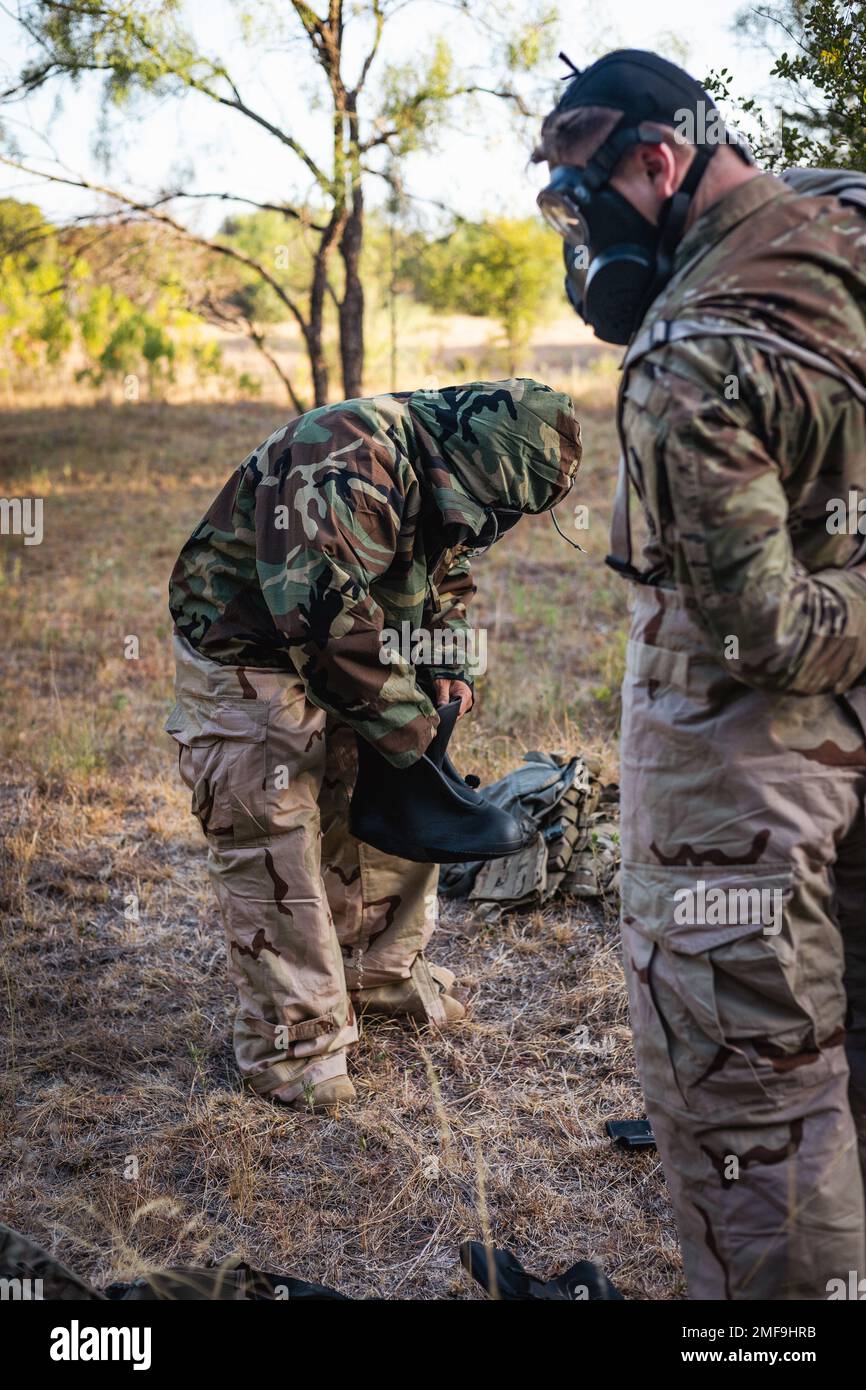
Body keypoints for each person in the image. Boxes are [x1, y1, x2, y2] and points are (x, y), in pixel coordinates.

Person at [534, 48, 866, 1298]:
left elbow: (756, 635)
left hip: (748, 769)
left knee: (752, 1095)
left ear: (655, 160)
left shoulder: (688, 352)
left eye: (581, 204)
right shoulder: (845, 209)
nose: (578, 245)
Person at [165, 379, 581, 1111]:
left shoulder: (451, 465)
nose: (491, 526)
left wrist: (443, 663)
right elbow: (318, 619)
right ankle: (297, 1043)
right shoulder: (344, 458)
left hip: (361, 640)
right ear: (471, 456)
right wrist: (411, 729)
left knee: (390, 798)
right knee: (274, 823)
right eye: (494, 510)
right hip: (249, 646)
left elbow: (444, 568)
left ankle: (379, 974)